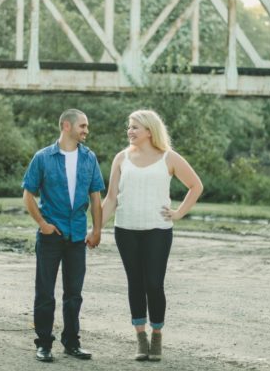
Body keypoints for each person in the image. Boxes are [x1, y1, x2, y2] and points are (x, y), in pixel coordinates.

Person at [101, 109, 203, 361]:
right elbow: (111, 198)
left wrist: (178, 213)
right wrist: (94, 229)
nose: (130, 131)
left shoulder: (168, 157)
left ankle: (156, 334)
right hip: (126, 230)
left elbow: (195, 186)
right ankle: (140, 338)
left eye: (135, 127)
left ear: (149, 130)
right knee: (135, 282)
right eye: (129, 126)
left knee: (154, 284)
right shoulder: (121, 158)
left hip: (158, 230)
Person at [22, 108, 104, 363]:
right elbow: (28, 194)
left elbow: (95, 198)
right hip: (50, 236)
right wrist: (42, 223)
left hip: (77, 235)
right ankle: (44, 344)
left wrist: (97, 229)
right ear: (66, 126)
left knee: (74, 294)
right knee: (45, 292)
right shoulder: (43, 158)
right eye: (83, 126)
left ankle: (72, 343)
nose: (86, 131)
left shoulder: (90, 158)